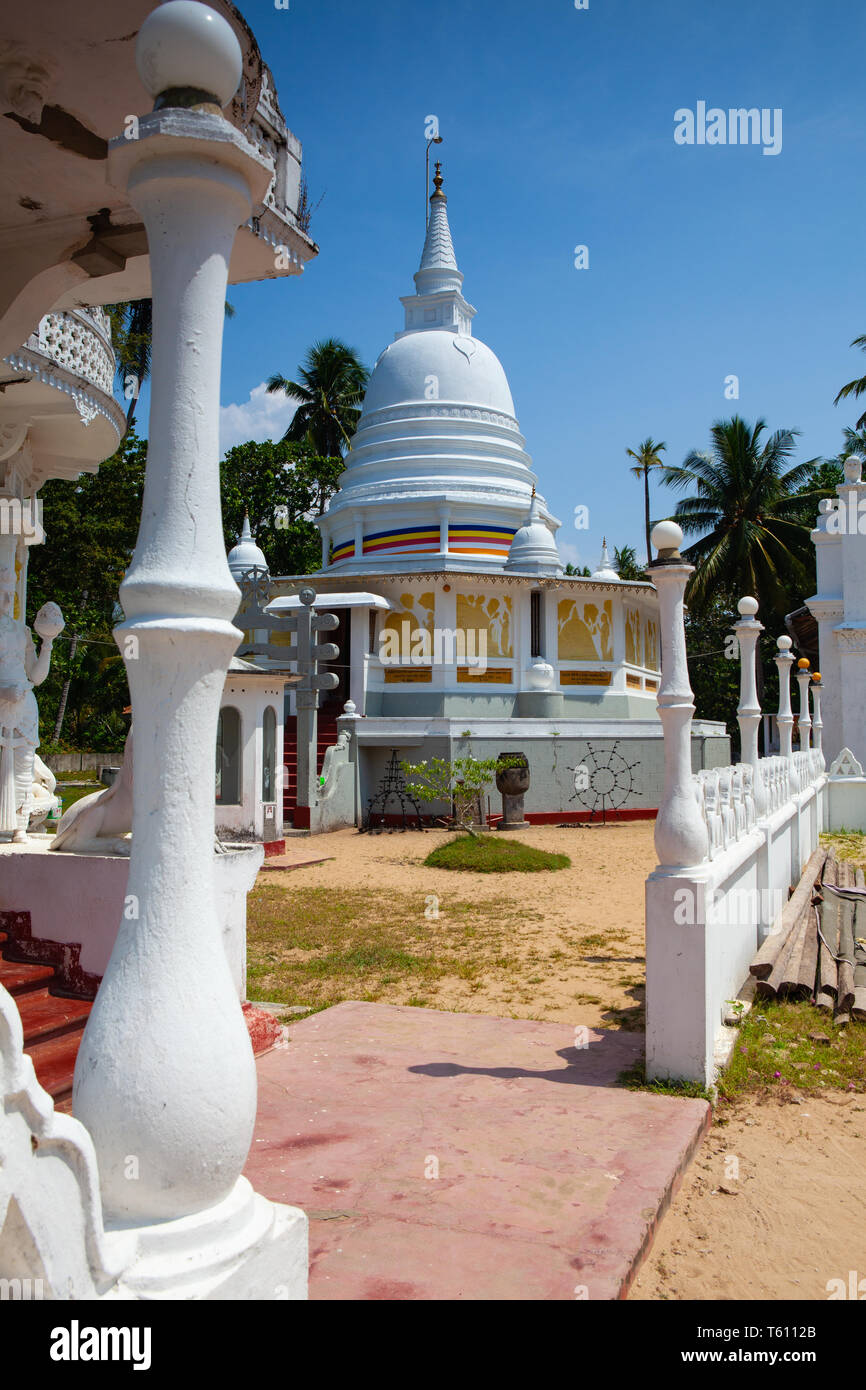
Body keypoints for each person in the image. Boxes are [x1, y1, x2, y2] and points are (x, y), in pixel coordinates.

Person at [0, 563, 63, 842]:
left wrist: (47, 643)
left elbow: (36, 676)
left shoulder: (21, 631)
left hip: (24, 705)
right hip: (4, 700)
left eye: (8, 594)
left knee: (23, 768)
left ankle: (19, 827)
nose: (4, 599)